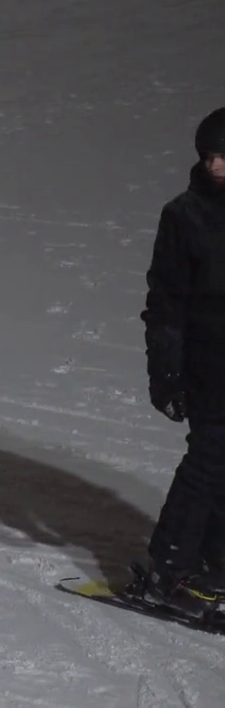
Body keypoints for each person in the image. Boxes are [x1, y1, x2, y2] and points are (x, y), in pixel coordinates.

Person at [136, 107, 225, 615]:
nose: (215, 166)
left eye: (224, 157)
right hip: (208, 366)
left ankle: (215, 561)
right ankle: (169, 567)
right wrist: (165, 374)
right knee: (208, 462)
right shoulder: (185, 216)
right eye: (209, 156)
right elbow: (165, 304)